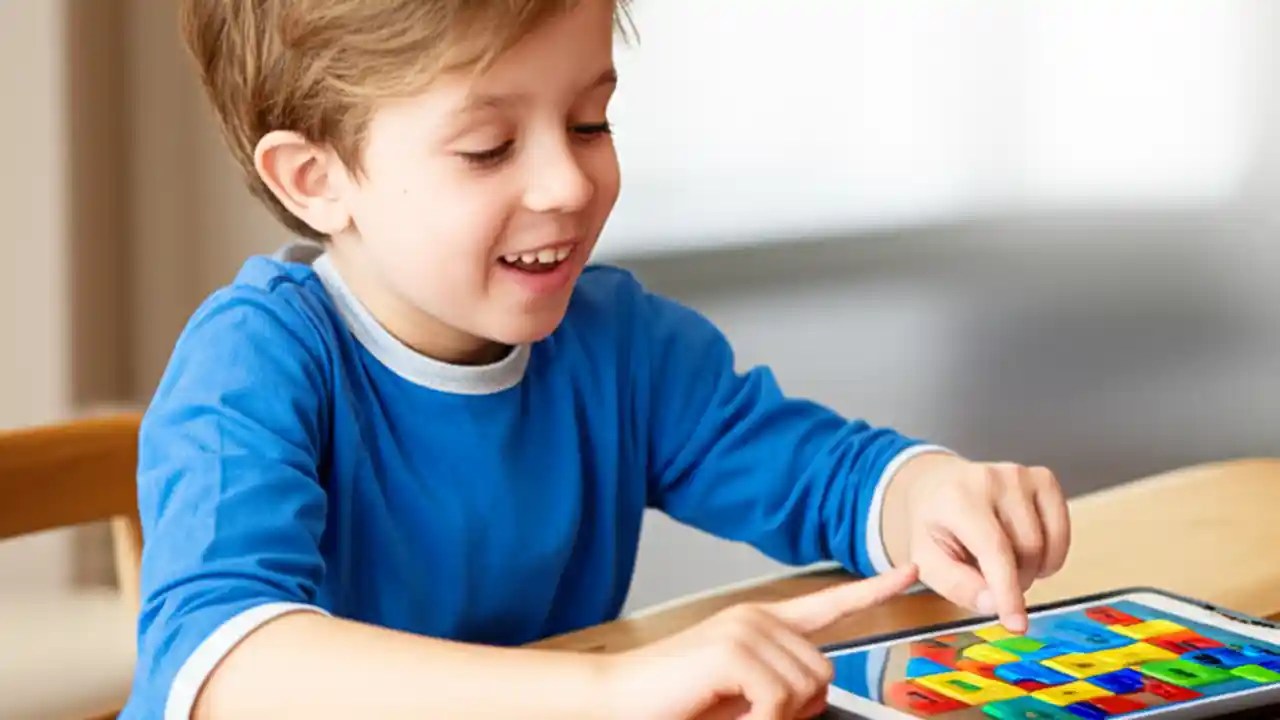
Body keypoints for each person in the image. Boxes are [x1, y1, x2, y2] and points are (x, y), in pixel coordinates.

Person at [124, 1, 1071, 717]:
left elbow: (827, 477)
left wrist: (931, 495)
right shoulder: (251, 363)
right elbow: (226, 663)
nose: (569, 181)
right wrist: (609, 692)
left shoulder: (618, 345)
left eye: (590, 122)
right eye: (489, 147)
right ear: (316, 180)